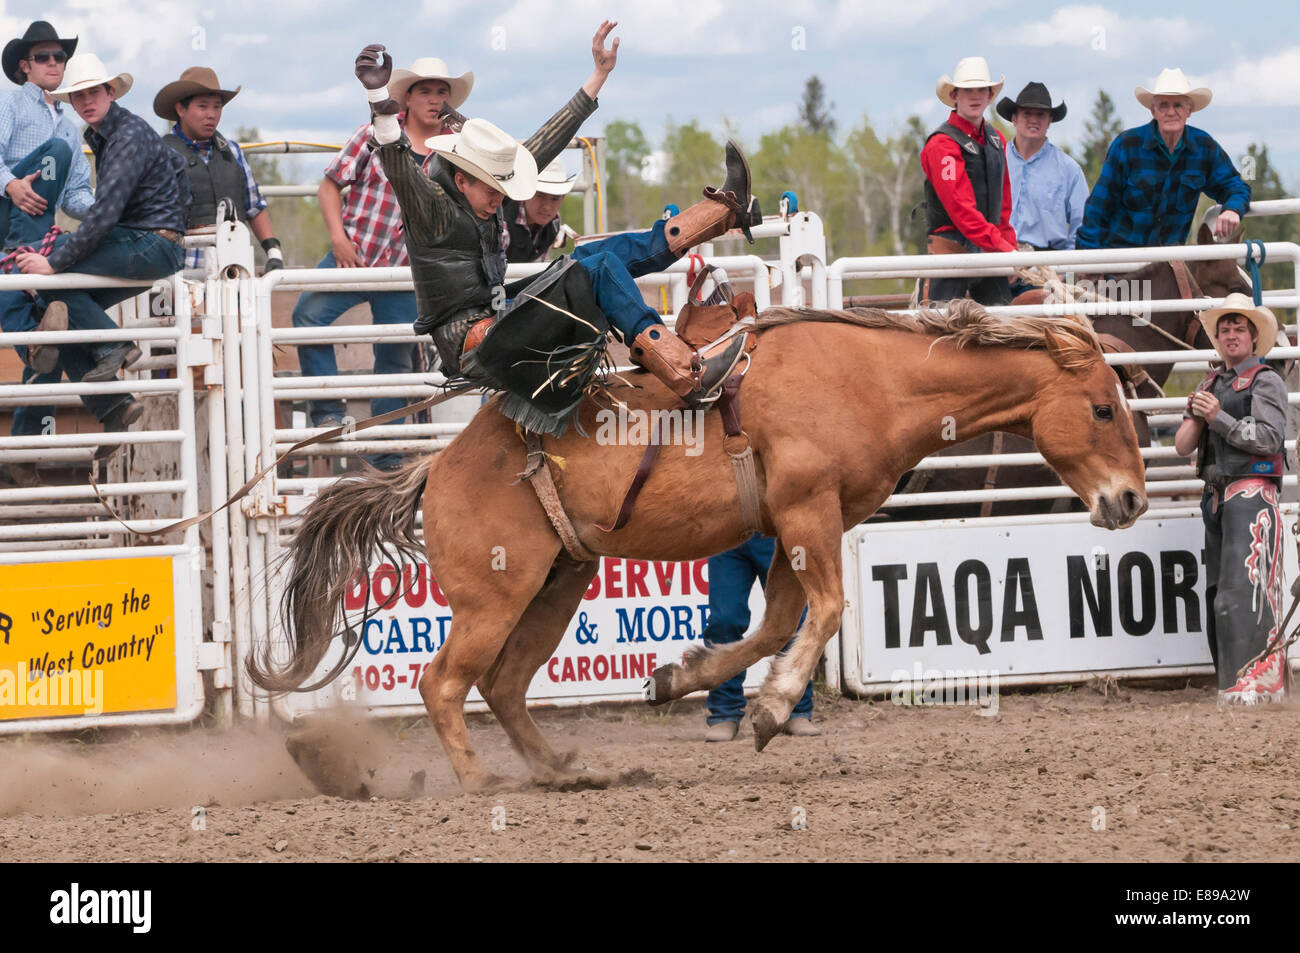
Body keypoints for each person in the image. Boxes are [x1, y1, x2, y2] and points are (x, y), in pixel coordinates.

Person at [354, 23, 760, 436]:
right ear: (462, 181)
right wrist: (378, 99)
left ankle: (725, 213)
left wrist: (598, 75)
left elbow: (548, 139)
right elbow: (398, 166)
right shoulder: (432, 210)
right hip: (476, 343)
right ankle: (688, 374)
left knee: (586, 260)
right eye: (493, 189)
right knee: (596, 269)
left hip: (497, 319)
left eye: (503, 188)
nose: (501, 199)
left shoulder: (477, 186)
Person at [0, 53, 188, 476]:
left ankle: (113, 345)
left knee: (46, 283)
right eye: (79, 94)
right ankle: (115, 405)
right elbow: (110, 201)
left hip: (148, 242)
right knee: (56, 316)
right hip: (148, 240)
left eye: (93, 92)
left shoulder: (122, 137)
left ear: (110, 92)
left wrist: (53, 261)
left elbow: (103, 214)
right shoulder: (101, 135)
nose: (86, 100)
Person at [290, 56, 473, 469]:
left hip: (409, 270)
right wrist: (338, 239)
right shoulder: (373, 133)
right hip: (356, 255)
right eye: (426, 90)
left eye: (442, 91)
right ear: (407, 97)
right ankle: (327, 413)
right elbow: (330, 185)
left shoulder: (456, 150)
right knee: (307, 316)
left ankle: (386, 451)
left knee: (394, 356)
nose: (435, 99)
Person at [1174, 293, 1287, 705]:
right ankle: (1233, 681)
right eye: (1225, 329)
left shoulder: (1267, 380)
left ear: (1254, 338)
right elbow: (1183, 447)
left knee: (1242, 588)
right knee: (1220, 591)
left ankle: (1255, 683)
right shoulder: (1209, 383)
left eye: (1239, 328)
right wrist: (1196, 414)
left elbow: (1270, 439)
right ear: (1217, 338)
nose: (1231, 335)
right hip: (1218, 497)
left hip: (1251, 492)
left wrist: (1216, 417)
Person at [1076, 68, 1250, 250]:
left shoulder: (1203, 147)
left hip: (1169, 265)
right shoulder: (1127, 145)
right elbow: (1099, 206)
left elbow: (1236, 186)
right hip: (1122, 261)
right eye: (1164, 105)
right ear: (1153, 111)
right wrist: (1089, 256)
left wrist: (1232, 209)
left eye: (1177, 105)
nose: (1171, 112)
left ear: (1189, 110)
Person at [153, 66, 281, 273]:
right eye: (203, 107)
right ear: (181, 109)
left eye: (217, 107)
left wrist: (273, 251)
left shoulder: (232, 151)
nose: (211, 115)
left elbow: (254, 206)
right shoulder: (161, 154)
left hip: (233, 268)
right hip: (180, 271)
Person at [918, 56, 1017, 306]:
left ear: (989, 95)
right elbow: (961, 210)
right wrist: (1005, 250)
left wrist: (1008, 246)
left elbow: (1003, 208)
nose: (975, 96)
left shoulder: (997, 141)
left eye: (981, 89)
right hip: (952, 248)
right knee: (938, 330)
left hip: (989, 246)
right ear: (955, 95)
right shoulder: (942, 144)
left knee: (1004, 324)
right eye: (968, 90)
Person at [701, 534, 817, 742]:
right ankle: (723, 712)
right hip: (726, 530)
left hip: (776, 532)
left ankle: (795, 708)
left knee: (792, 616)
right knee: (724, 622)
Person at [996, 82, 1088, 252]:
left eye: (1040, 114)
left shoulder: (1069, 170)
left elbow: (1082, 226)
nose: (1033, 119)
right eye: (1027, 113)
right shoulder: (994, 161)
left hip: (1048, 263)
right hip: (997, 258)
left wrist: (1066, 271)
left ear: (1049, 120)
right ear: (1014, 118)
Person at [504, 158, 575, 264]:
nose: (547, 206)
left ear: (562, 198)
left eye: (555, 198)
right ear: (527, 191)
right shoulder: (502, 224)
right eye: (540, 195)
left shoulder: (554, 222)